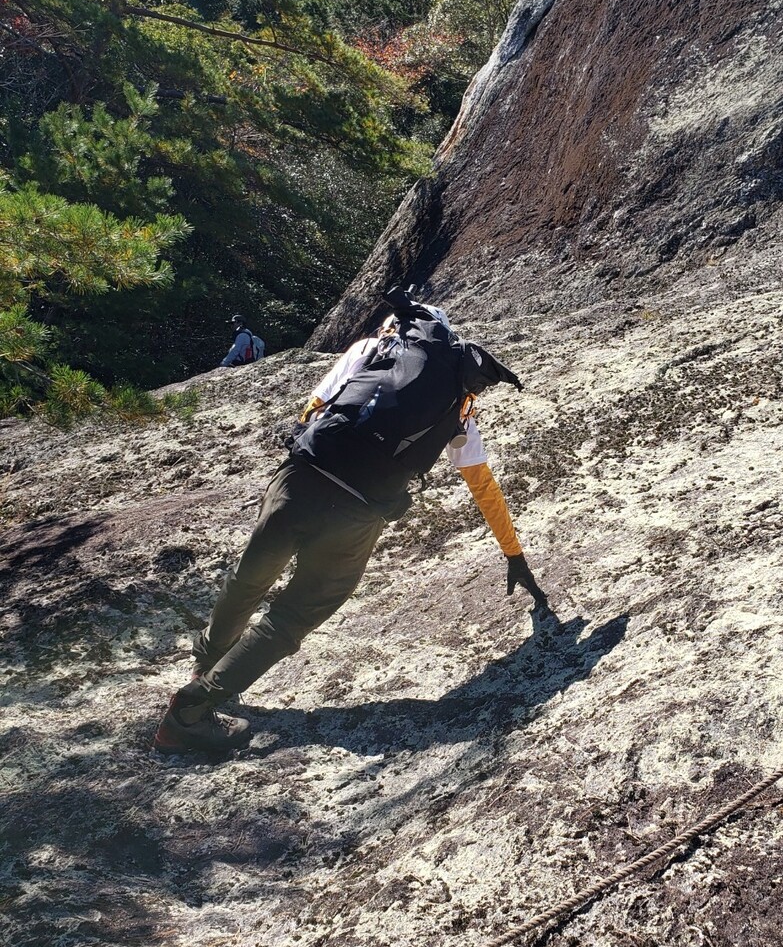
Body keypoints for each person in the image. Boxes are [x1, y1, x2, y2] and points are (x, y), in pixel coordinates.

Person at [155, 298, 547, 755]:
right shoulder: (456, 398)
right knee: (296, 612)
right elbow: (482, 484)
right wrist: (513, 552)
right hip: (358, 513)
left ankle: (207, 667)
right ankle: (191, 710)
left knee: (250, 578)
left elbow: (313, 410)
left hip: (301, 480)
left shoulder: (369, 352)